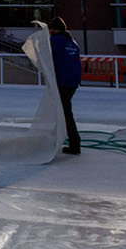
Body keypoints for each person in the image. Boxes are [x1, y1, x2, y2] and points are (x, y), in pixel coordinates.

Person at [48, 16, 83, 155]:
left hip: (63, 81)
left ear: (54, 29)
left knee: (65, 113)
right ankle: (63, 139)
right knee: (64, 111)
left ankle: (74, 144)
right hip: (73, 81)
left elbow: (47, 57)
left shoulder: (55, 41)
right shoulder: (72, 41)